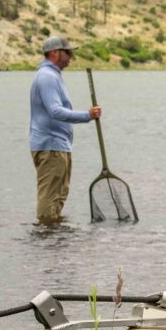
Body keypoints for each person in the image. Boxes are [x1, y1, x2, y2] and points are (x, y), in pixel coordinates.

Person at [28, 35, 101, 224]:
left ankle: (55, 240)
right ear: (54, 53)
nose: (71, 56)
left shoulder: (53, 75)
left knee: (59, 195)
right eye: (67, 52)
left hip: (59, 145)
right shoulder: (46, 77)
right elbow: (55, 111)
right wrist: (87, 115)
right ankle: (46, 243)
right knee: (49, 197)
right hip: (50, 145)